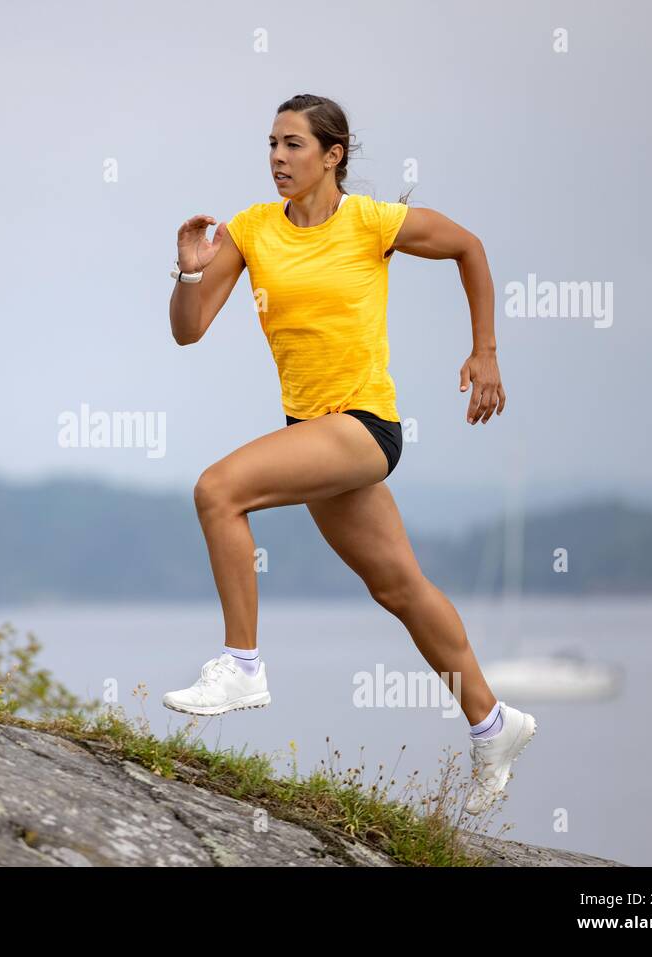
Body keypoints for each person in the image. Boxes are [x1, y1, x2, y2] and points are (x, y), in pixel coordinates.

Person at [162, 93, 535, 815]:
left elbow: (469, 247)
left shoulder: (371, 222)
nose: (277, 157)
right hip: (315, 435)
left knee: (218, 490)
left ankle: (242, 664)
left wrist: (485, 350)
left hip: (363, 426)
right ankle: (494, 721)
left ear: (333, 155)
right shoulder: (250, 230)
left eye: (294, 144)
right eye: (271, 143)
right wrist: (187, 272)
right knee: (400, 588)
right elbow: (189, 329)